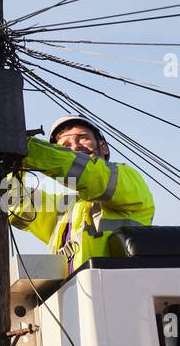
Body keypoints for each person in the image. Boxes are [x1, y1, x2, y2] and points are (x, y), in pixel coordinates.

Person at [8, 115, 154, 272]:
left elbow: (89, 174)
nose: (75, 146)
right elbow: (14, 203)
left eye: (83, 138)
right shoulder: (64, 209)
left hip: (118, 289)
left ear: (103, 147)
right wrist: (10, 160)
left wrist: (25, 147)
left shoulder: (128, 178)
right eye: (65, 145)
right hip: (73, 294)